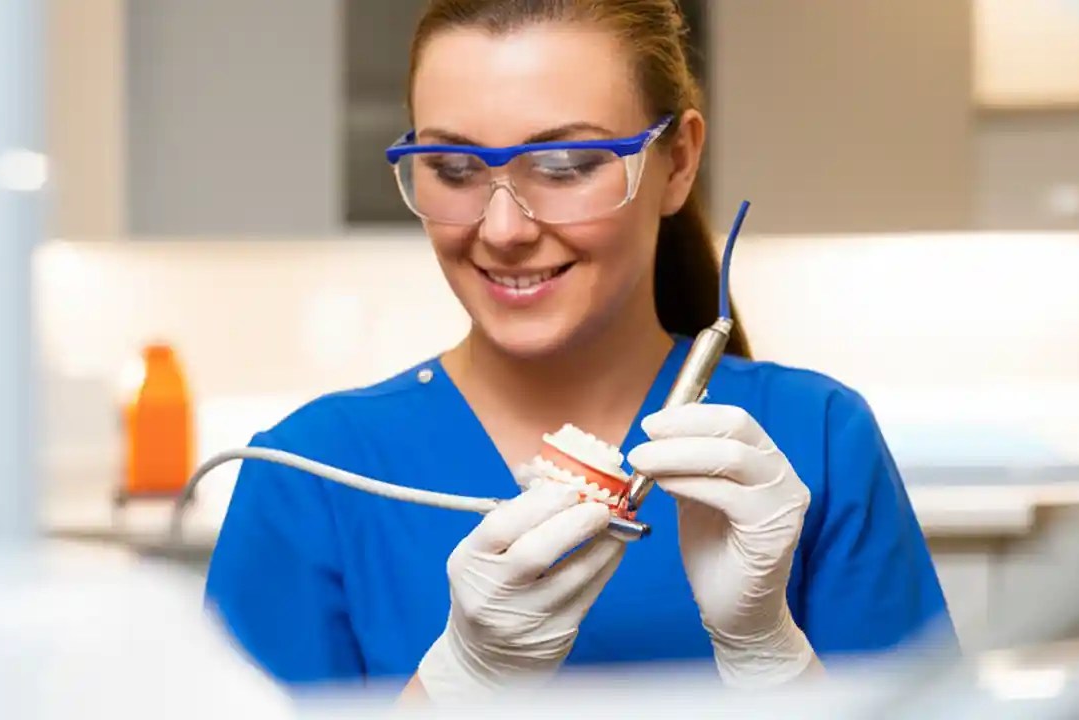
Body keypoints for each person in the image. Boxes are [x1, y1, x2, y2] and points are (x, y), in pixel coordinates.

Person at [203, 0, 957, 703]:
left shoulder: (817, 438)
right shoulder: (309, 474)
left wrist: (771, 658)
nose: (502, 228)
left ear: (680, 161)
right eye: (454, 169)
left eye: (564, 166)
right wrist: (455, 688)